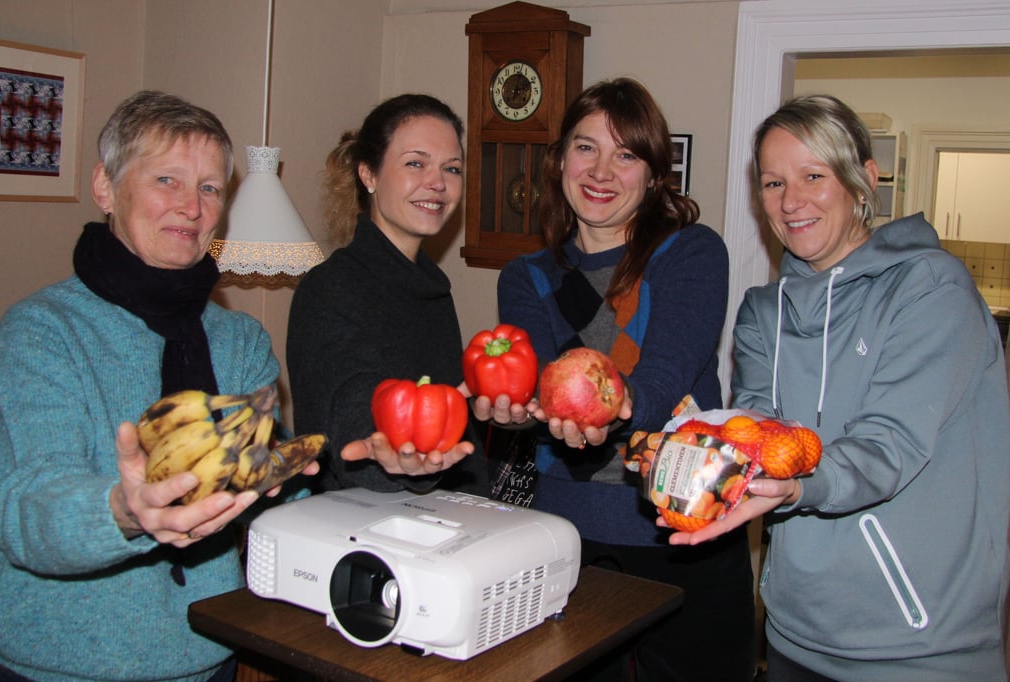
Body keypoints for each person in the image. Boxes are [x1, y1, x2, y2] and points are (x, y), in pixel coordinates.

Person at [670, 94, 1010, 681]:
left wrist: (799, 486)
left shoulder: (932, 289)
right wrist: (684, 449)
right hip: (792, 629)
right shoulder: (762, 312)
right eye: (773, 183)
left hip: (917, 644)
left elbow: (888, 445)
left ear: (864, 181)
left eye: (813, 176)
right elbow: (756, 435)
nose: (791, 201)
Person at [0, 91, 317, 682]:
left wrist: (323, 470)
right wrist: (124, 510)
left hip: (208, 652)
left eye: (210, 188)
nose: (191, 207)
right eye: (167, 180)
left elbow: (265, 489)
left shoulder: (240, 341)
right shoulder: (41, 331)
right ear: (106, 187)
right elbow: (25, 509)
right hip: (55, 665)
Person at [496, 77, 755, 682]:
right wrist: (511, 409)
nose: (601, 171)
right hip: (566, 536)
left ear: (654, 173)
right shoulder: (525, 277)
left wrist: (616, 406)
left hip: (685, 526)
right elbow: (546, 389)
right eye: (586, 148)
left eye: (626, 155)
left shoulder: (691, 253)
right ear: (560, 160)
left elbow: (663, 379)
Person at [288, 94, 489, 495]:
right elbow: (351, 402)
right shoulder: (331, 287)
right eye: (416, 163)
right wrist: (389, 451)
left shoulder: (432, 290)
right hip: (368, 524)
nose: (437, 183)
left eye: (451, 168)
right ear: (369, 174)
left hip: (446, 514)